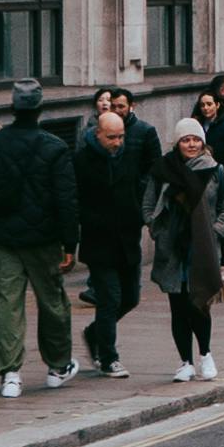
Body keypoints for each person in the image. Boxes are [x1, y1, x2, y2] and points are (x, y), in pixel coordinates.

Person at [0, 83, 80, 389]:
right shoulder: (55, 146)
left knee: (8, 304)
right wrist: (70, 243)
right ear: (40, 110)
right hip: (45, 238)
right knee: (52, 301)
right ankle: (57, 367)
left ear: (12, 110)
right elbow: (66, 200)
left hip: (4, 238)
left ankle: (10, 373)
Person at [73, 90, 153, 376]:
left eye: (121, 137)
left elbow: (142, 184)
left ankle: (94, 334)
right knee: (110, 299)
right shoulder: (82, 161)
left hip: (128, 238)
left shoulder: (129, 156)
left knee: (130, 297)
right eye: (112, 137)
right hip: (99, 241)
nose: (118, 142)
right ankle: (109, 358)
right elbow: (74, 201)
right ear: (98, 135)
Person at [153, 118, 224, 379]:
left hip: (202, 249)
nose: (191, 144)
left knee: (199, 304)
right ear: (177, 143)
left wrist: (215, 231)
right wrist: (156, 228)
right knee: (178, 307)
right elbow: (148, 203)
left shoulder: (215, 171)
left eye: (195, 139)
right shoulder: (163, 169)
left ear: (203, 142)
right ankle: (185, 362)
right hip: (173, 249)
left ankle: (206, 355)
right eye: (185, 140)